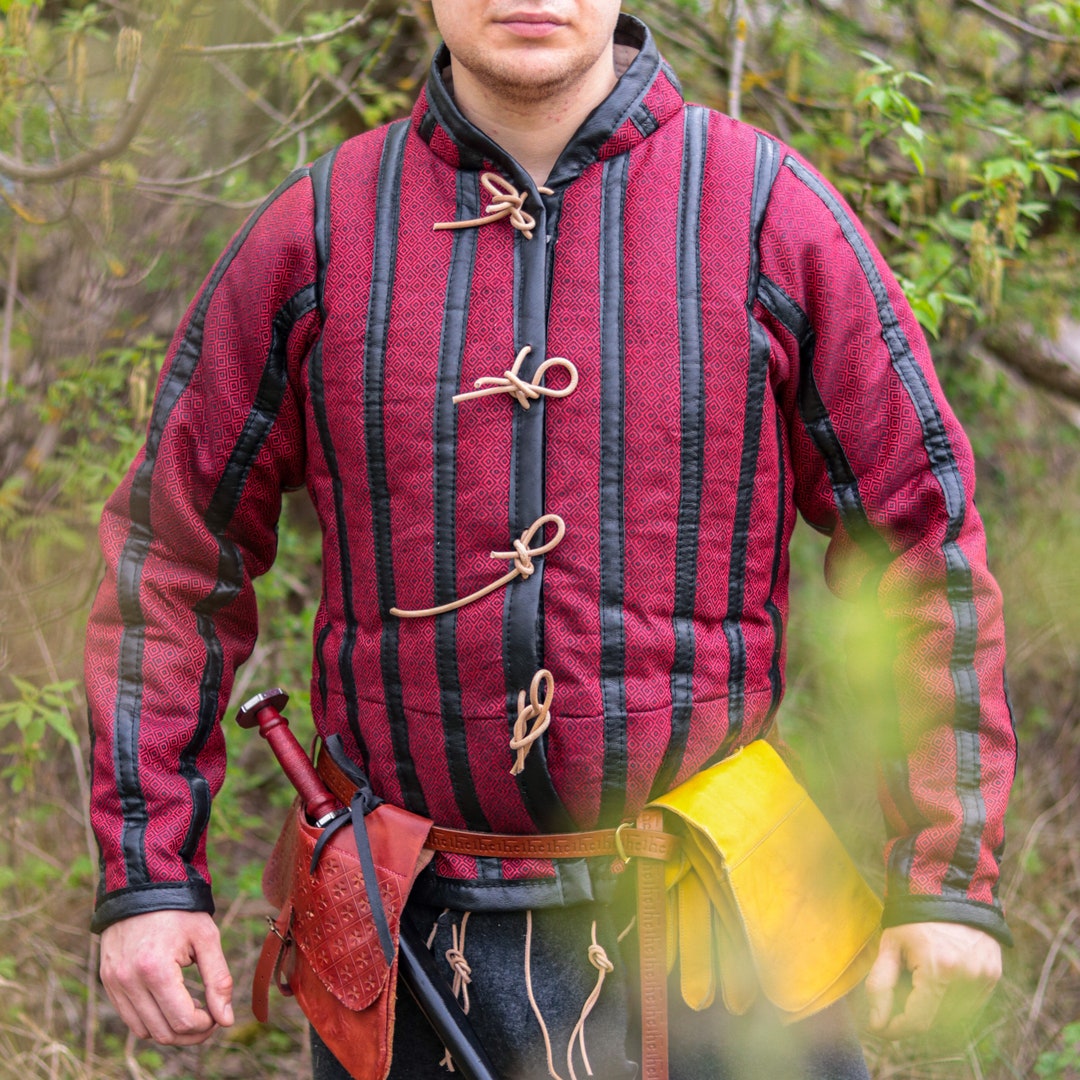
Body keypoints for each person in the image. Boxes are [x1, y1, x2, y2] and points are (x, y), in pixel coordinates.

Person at [87, 2, 1016, 1077]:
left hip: (728, 938)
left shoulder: (769, 211)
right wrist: (149, 876)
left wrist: (947, 877)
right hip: (410, 952)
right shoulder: (319, 231)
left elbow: (921, 545)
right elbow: (172, 556)